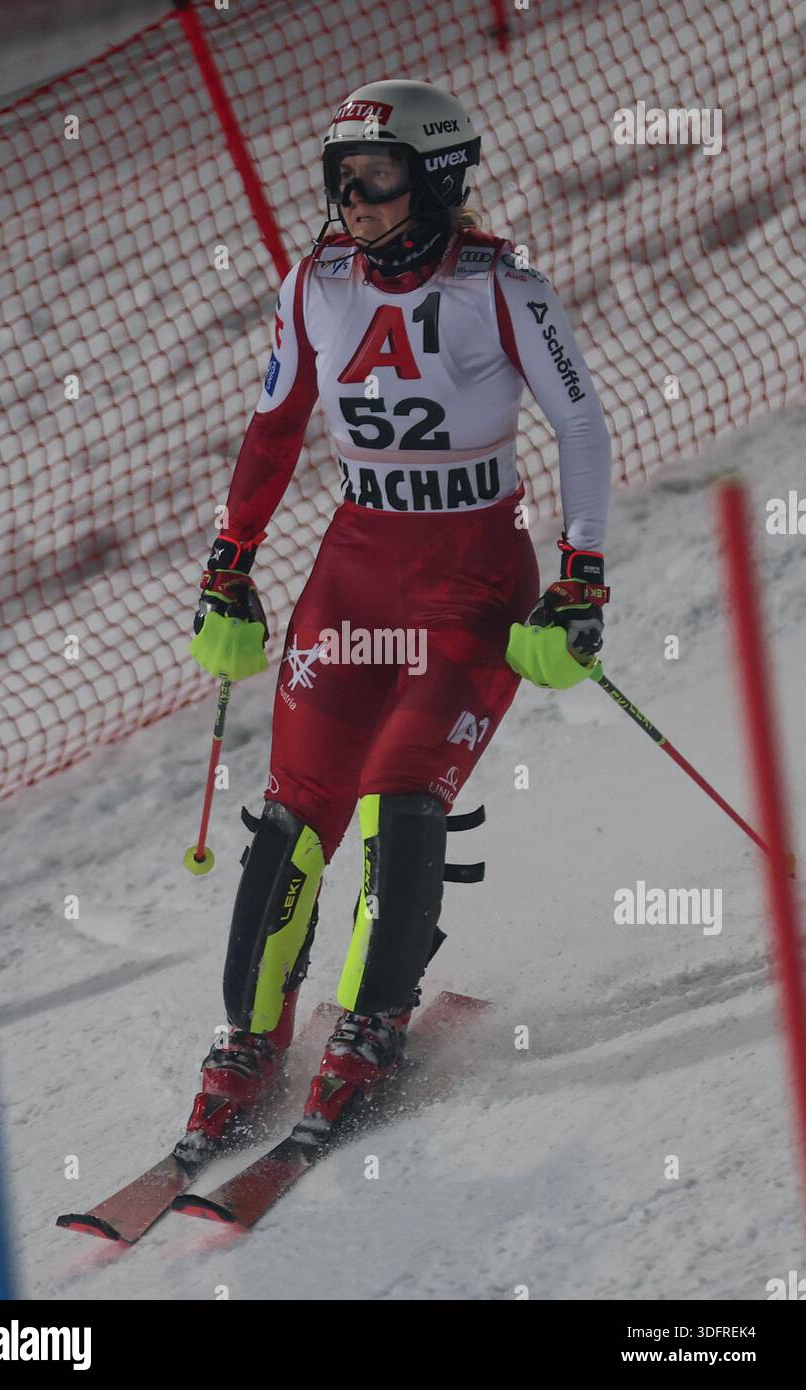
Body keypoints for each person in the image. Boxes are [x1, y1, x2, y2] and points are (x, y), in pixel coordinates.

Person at [182, 79, 612, 1151]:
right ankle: (248, 1040)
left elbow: (581, 426)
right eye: (339, 180)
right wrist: (228, 562)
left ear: (435, 179)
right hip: (355, 573)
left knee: (396, 792)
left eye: (373, 178)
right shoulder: (315, 282)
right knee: (296, 807)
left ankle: (372, 1024)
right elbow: (276, 426)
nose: (351, 200)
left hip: (470, 578)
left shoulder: (500, 286)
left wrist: (579, 579)